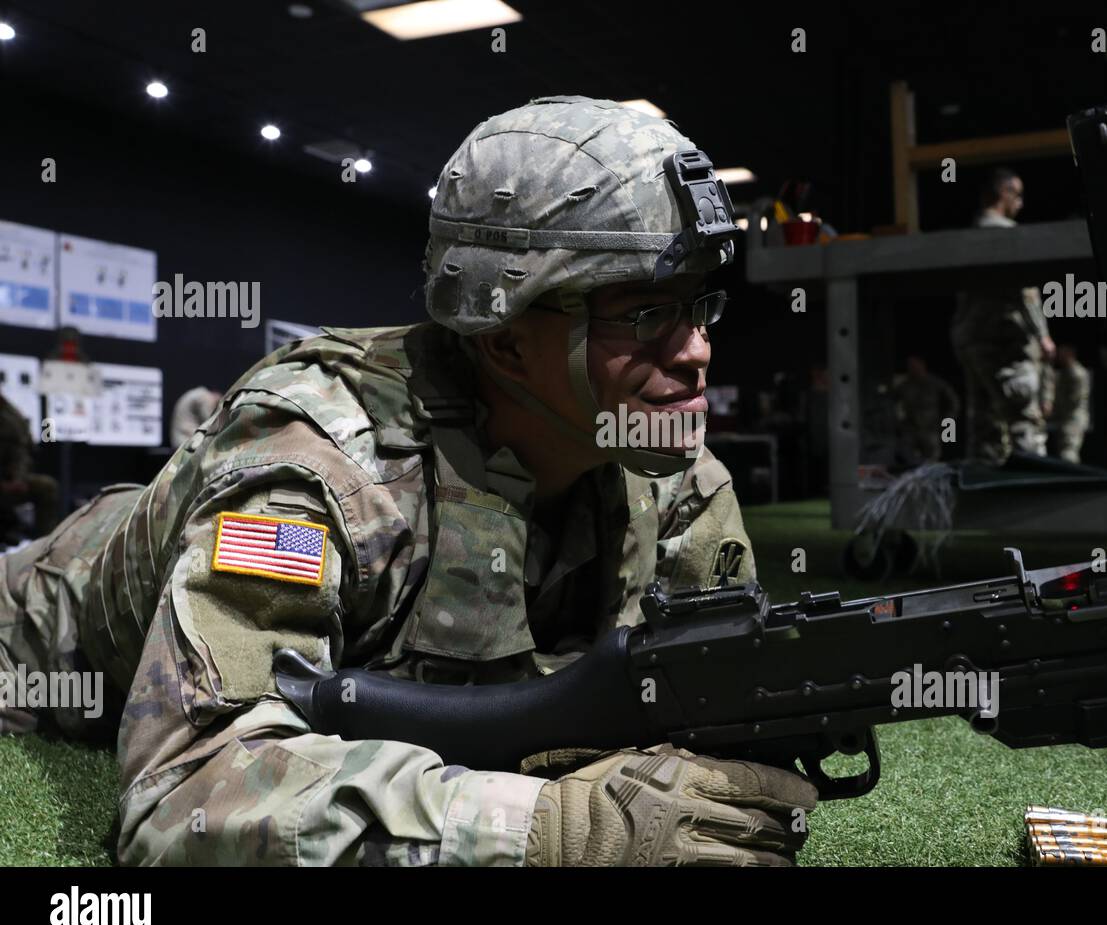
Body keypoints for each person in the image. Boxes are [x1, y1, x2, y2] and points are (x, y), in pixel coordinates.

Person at [0, 96, 817, 866]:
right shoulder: (315, 465)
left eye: (699, 307)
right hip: (39, 627)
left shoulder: (669, 468)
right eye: (644, 316)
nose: (696, 352)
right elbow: (188, 795)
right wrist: (559, 828)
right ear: (503, 344)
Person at [951, 168, 1055, 463]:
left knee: (984, 425)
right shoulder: (1008, 236)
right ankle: (1036, 497)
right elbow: (1025, 291)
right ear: (1004, 194)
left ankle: (985, 498)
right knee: (1023, 420)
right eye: (1018, 195)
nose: (1021, 203)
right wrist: (1042, 335)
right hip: (1004, 339)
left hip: (970, 341)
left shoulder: (966, 239)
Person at [0, 390, 59, 543]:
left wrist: (18, 479)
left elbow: (21, 450)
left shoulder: (9, 413)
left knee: (46, 487)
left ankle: (44, 545)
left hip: (8, 480)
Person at [893, 355, 959, 464]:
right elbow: (892, 402)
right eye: (910, 366)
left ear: (922, 365)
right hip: (911, 426)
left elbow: (952, 400)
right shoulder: (905, 385)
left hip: (931, 426)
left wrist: (948, 419)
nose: (912, 368)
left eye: (915, 365)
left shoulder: (935, 383)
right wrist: (899, 421)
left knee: (932, 455)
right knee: (906, 452)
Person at [1043, 344, 1091, 463]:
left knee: (1068, 453)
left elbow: (1074, 401)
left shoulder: (1077, 373)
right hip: (1065, 418)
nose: (1059, 357)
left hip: (1073, 419)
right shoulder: (1063, 373)